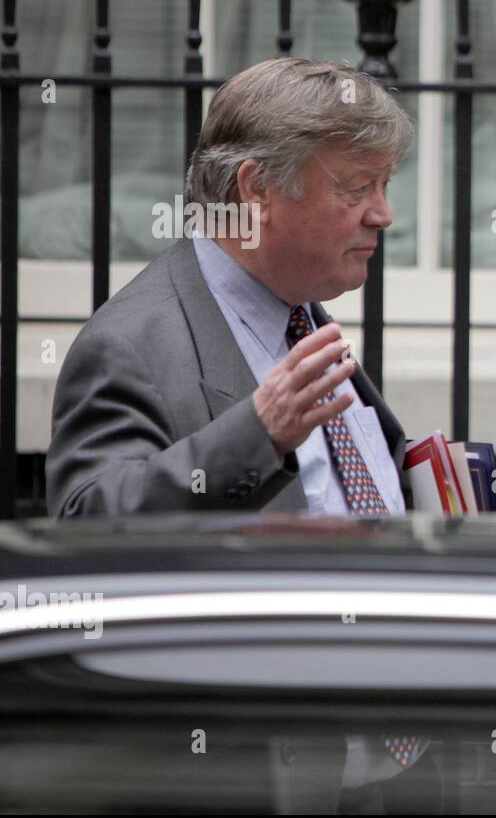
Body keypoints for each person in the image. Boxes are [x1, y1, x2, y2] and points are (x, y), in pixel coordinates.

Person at [46, 57, 413, 518]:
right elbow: (88, 520)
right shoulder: (127, 345)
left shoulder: (296, 313)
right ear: (257, 188)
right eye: (357, 188)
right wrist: (257, 436)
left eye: (384, 185)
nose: (383, 214)